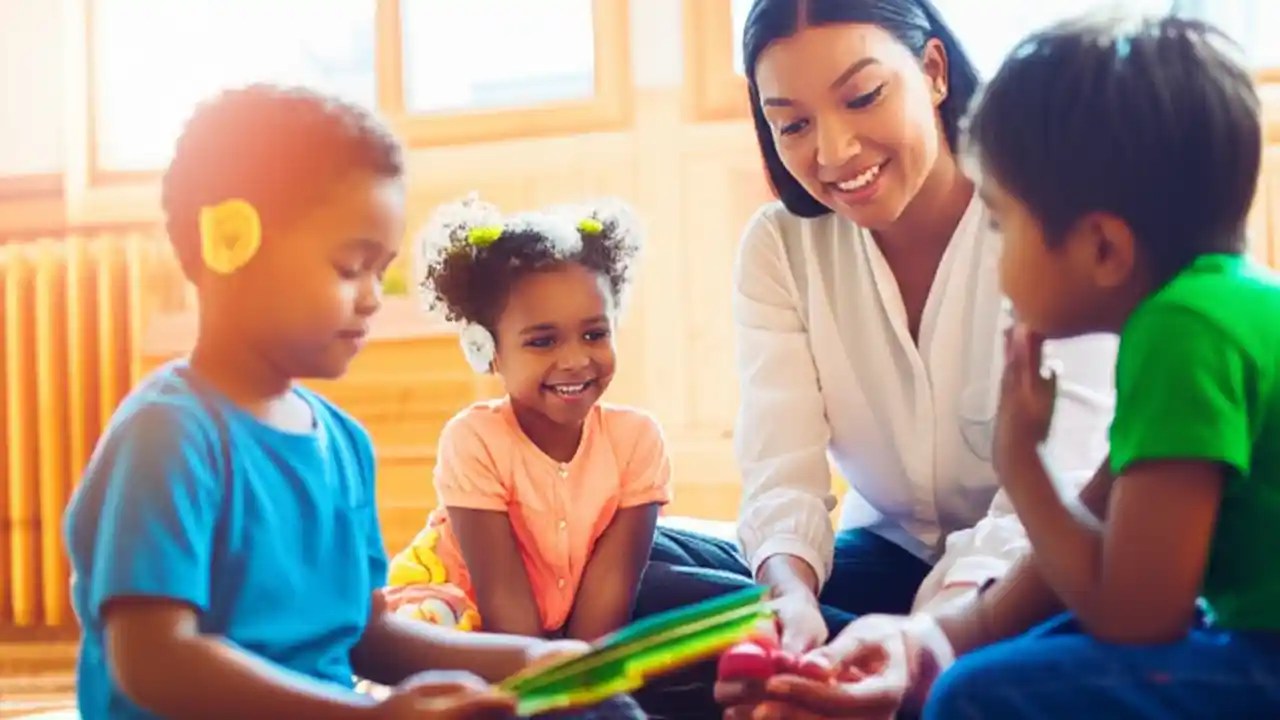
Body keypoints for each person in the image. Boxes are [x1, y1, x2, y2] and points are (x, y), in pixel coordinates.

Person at [717, 13, 1280, 719]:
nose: (993, 246)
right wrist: (923, 640)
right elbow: (1096, 530)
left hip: (1256, 652)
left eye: (1004, 221)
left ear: (1103, 248)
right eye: (793, 123)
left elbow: (1139, 619)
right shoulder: (1203, 311)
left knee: (974, 694)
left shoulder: (1184, 333)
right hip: (1219, 631)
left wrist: (1020, 468)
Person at [62, 84, 641, 720]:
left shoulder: (342, 444)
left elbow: (369, 637)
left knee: (596, 709)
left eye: (380, 270)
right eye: (348, 268)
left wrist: (529, 659)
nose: (370, 298)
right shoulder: (168, 437)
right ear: (229, 243)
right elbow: (155, 661)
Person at [384, 195, 671, 644]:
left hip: (558, 631)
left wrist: (581, 685)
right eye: (543, 342)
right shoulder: (474, 440)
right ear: (486, 349)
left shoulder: (636, 440)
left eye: (595, 334)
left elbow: (608, 602)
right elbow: (505, 609)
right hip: (469, 615)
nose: (576, 360)